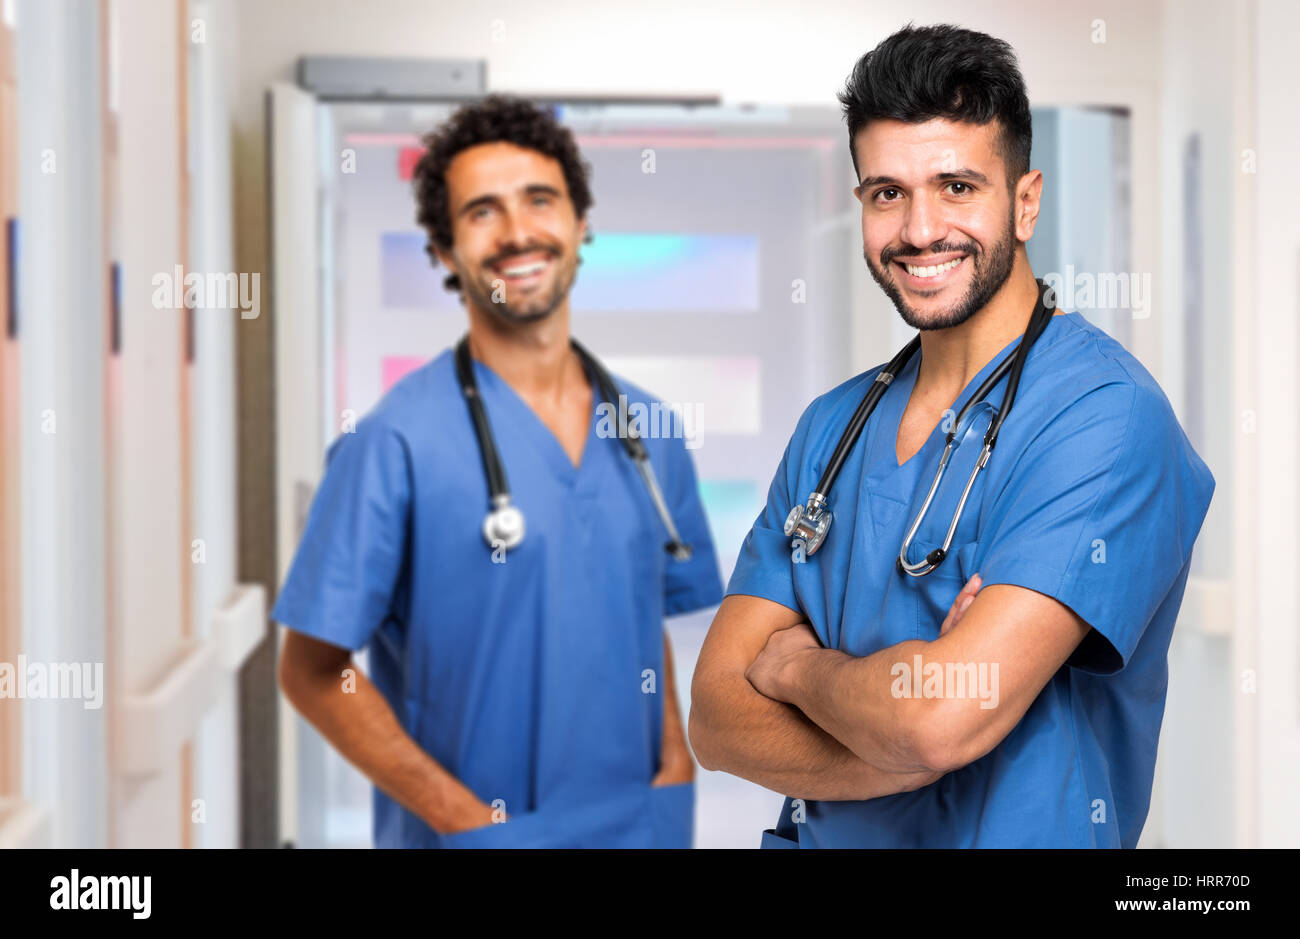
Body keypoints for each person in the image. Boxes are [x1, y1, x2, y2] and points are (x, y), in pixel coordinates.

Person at [688, 24, 1215, 848]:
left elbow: (935, 722)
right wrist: (895, 734)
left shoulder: (1104, 416)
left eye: (958, 186)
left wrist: (796, 668)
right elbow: (715, 718)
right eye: (887, 193)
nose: (920, 229)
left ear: (1026, 199)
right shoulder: (833, 427)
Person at [273, 95, 722, 848]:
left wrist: (675, 767)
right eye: (482, 212)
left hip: (640, 826)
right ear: (446, 251)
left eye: (540, 200)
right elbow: (312, 670)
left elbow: (644, 618)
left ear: (580, 226)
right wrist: (460, 818)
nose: (518, 232)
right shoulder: (392, 444)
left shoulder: (650, 431)